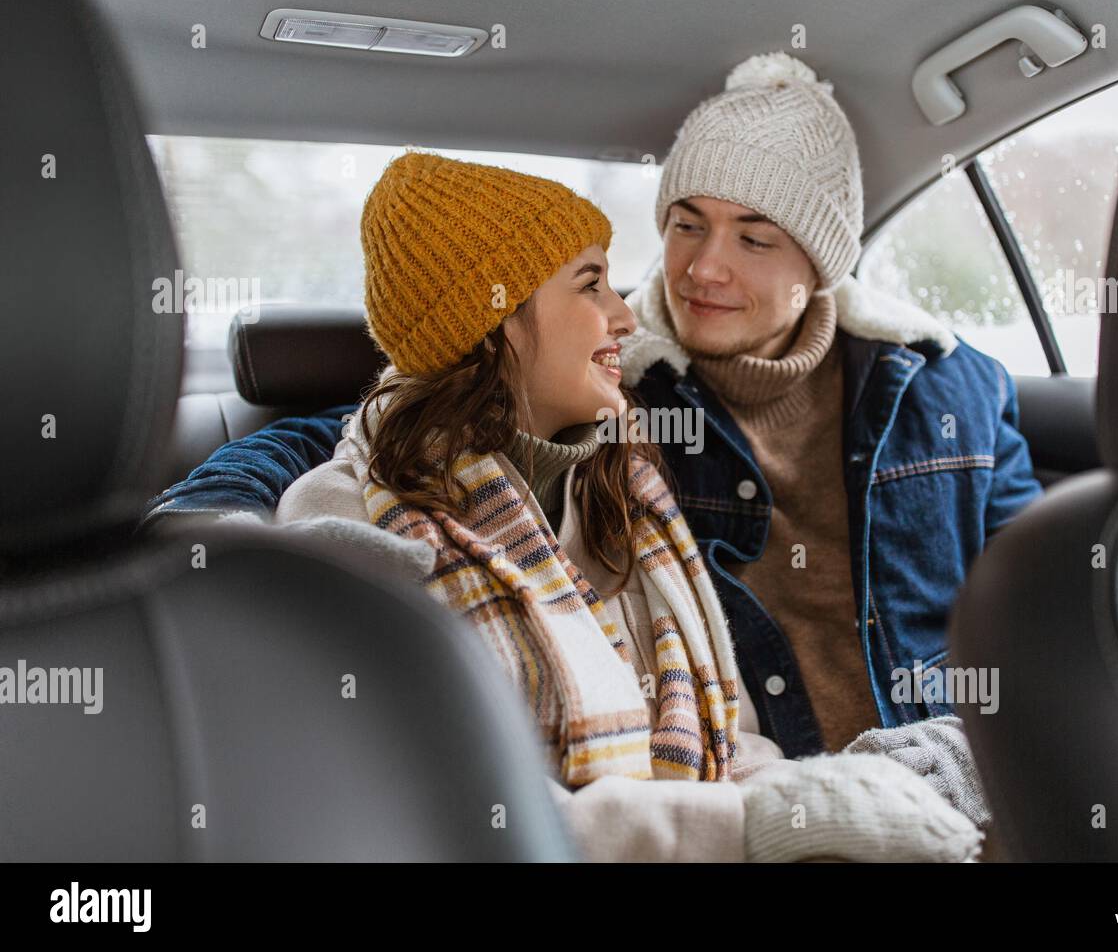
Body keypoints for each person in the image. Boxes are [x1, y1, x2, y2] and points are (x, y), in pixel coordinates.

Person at [145, 50, 1040, 816]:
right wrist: (213, 529)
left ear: (823, 261)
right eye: (686, 224)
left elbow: (1037, 610)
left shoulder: (951, 384)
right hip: (768, 791)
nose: (704, 267)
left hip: (942, 781)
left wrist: (968, 756)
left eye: (755, 239)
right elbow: (381, 429)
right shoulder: (613, 388)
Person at [260, 149, 981, 862]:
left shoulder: (627, 487)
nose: (624, 316)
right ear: (501, 320)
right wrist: (749, 827)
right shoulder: (353, 523)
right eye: (591, 285)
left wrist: (820, 805)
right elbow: (438, 811)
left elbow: (731, 736)